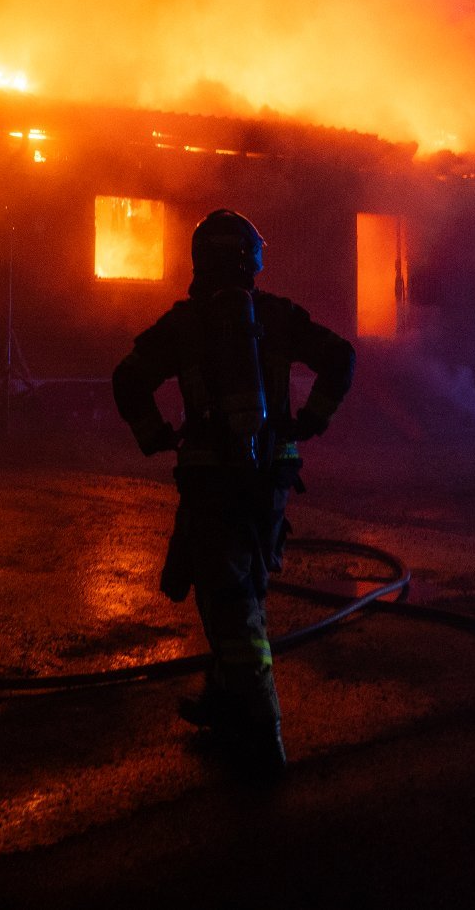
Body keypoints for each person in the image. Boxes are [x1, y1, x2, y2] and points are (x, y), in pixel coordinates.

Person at [111, 208, 355, 775]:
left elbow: (127, 378)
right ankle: (224, 700)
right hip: (270, 485)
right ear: (252, 260)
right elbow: (341, 356)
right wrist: (311, 420)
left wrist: (155, 436)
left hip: (210, 484)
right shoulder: (279, 316)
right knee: (243, 591)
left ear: (201, 260)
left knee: (229, 601)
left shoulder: (183, 324)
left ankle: (264, 733)